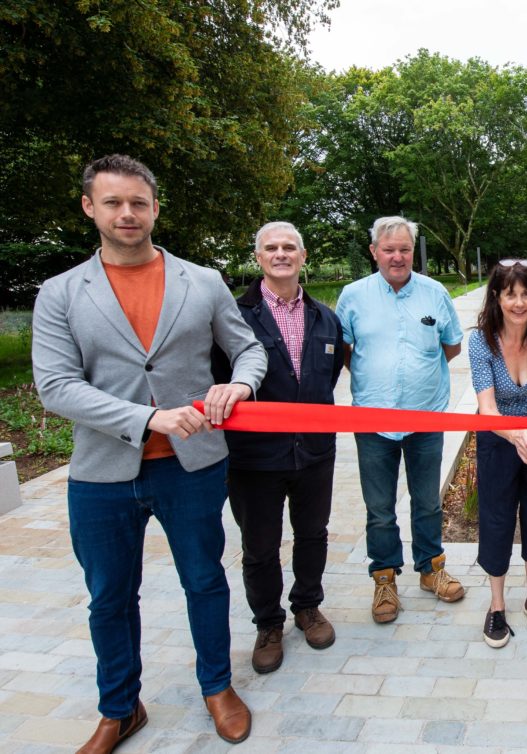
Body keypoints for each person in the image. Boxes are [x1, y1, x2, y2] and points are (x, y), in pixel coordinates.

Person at [31, 154, 266, 752]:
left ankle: (217, 686)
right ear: (90, 207)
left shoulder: (202, 281)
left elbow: (248, 349)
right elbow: (56, 387)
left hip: (193, 468)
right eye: (113, 202)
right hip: (102, 473)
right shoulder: (60, 293)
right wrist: (148, 418)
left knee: (204, 581)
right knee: (110, 597)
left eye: (138, 202)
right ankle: (120, 708)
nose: (127, 213)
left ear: (156, 208)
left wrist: (240, 384)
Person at [211, 222, 345, 674]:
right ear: (259, 257)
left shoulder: (325, 318)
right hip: (254, 457)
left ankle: (307, 606)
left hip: (314, 451)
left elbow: (327, 379)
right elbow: (220, 379)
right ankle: (268, 623)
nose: (281, 254)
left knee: (313, 533)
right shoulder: (233, 316)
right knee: (260, 545)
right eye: (272, 248)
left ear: (303, 257)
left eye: (290, 247)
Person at [335, 216, 465, 624]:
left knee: (427, 501)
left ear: (413, 252)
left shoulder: (434, 292)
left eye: (404, 249)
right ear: (374, 251)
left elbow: (452, 345)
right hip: (372, 421)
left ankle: (431, 569)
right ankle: (385, 578)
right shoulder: (353, 296)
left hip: (425, 416)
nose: (397, 257)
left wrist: (417, 377)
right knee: (379, 508)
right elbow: (345, 350)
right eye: (388, 249)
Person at [467, 259, 527, 648]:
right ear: (497, 297)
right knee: (497, 519)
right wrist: (515, 435)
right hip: (497, 438)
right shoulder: (481, 341)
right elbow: (487, 408)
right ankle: (496, 606)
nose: (519, 302)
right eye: (511, 294)